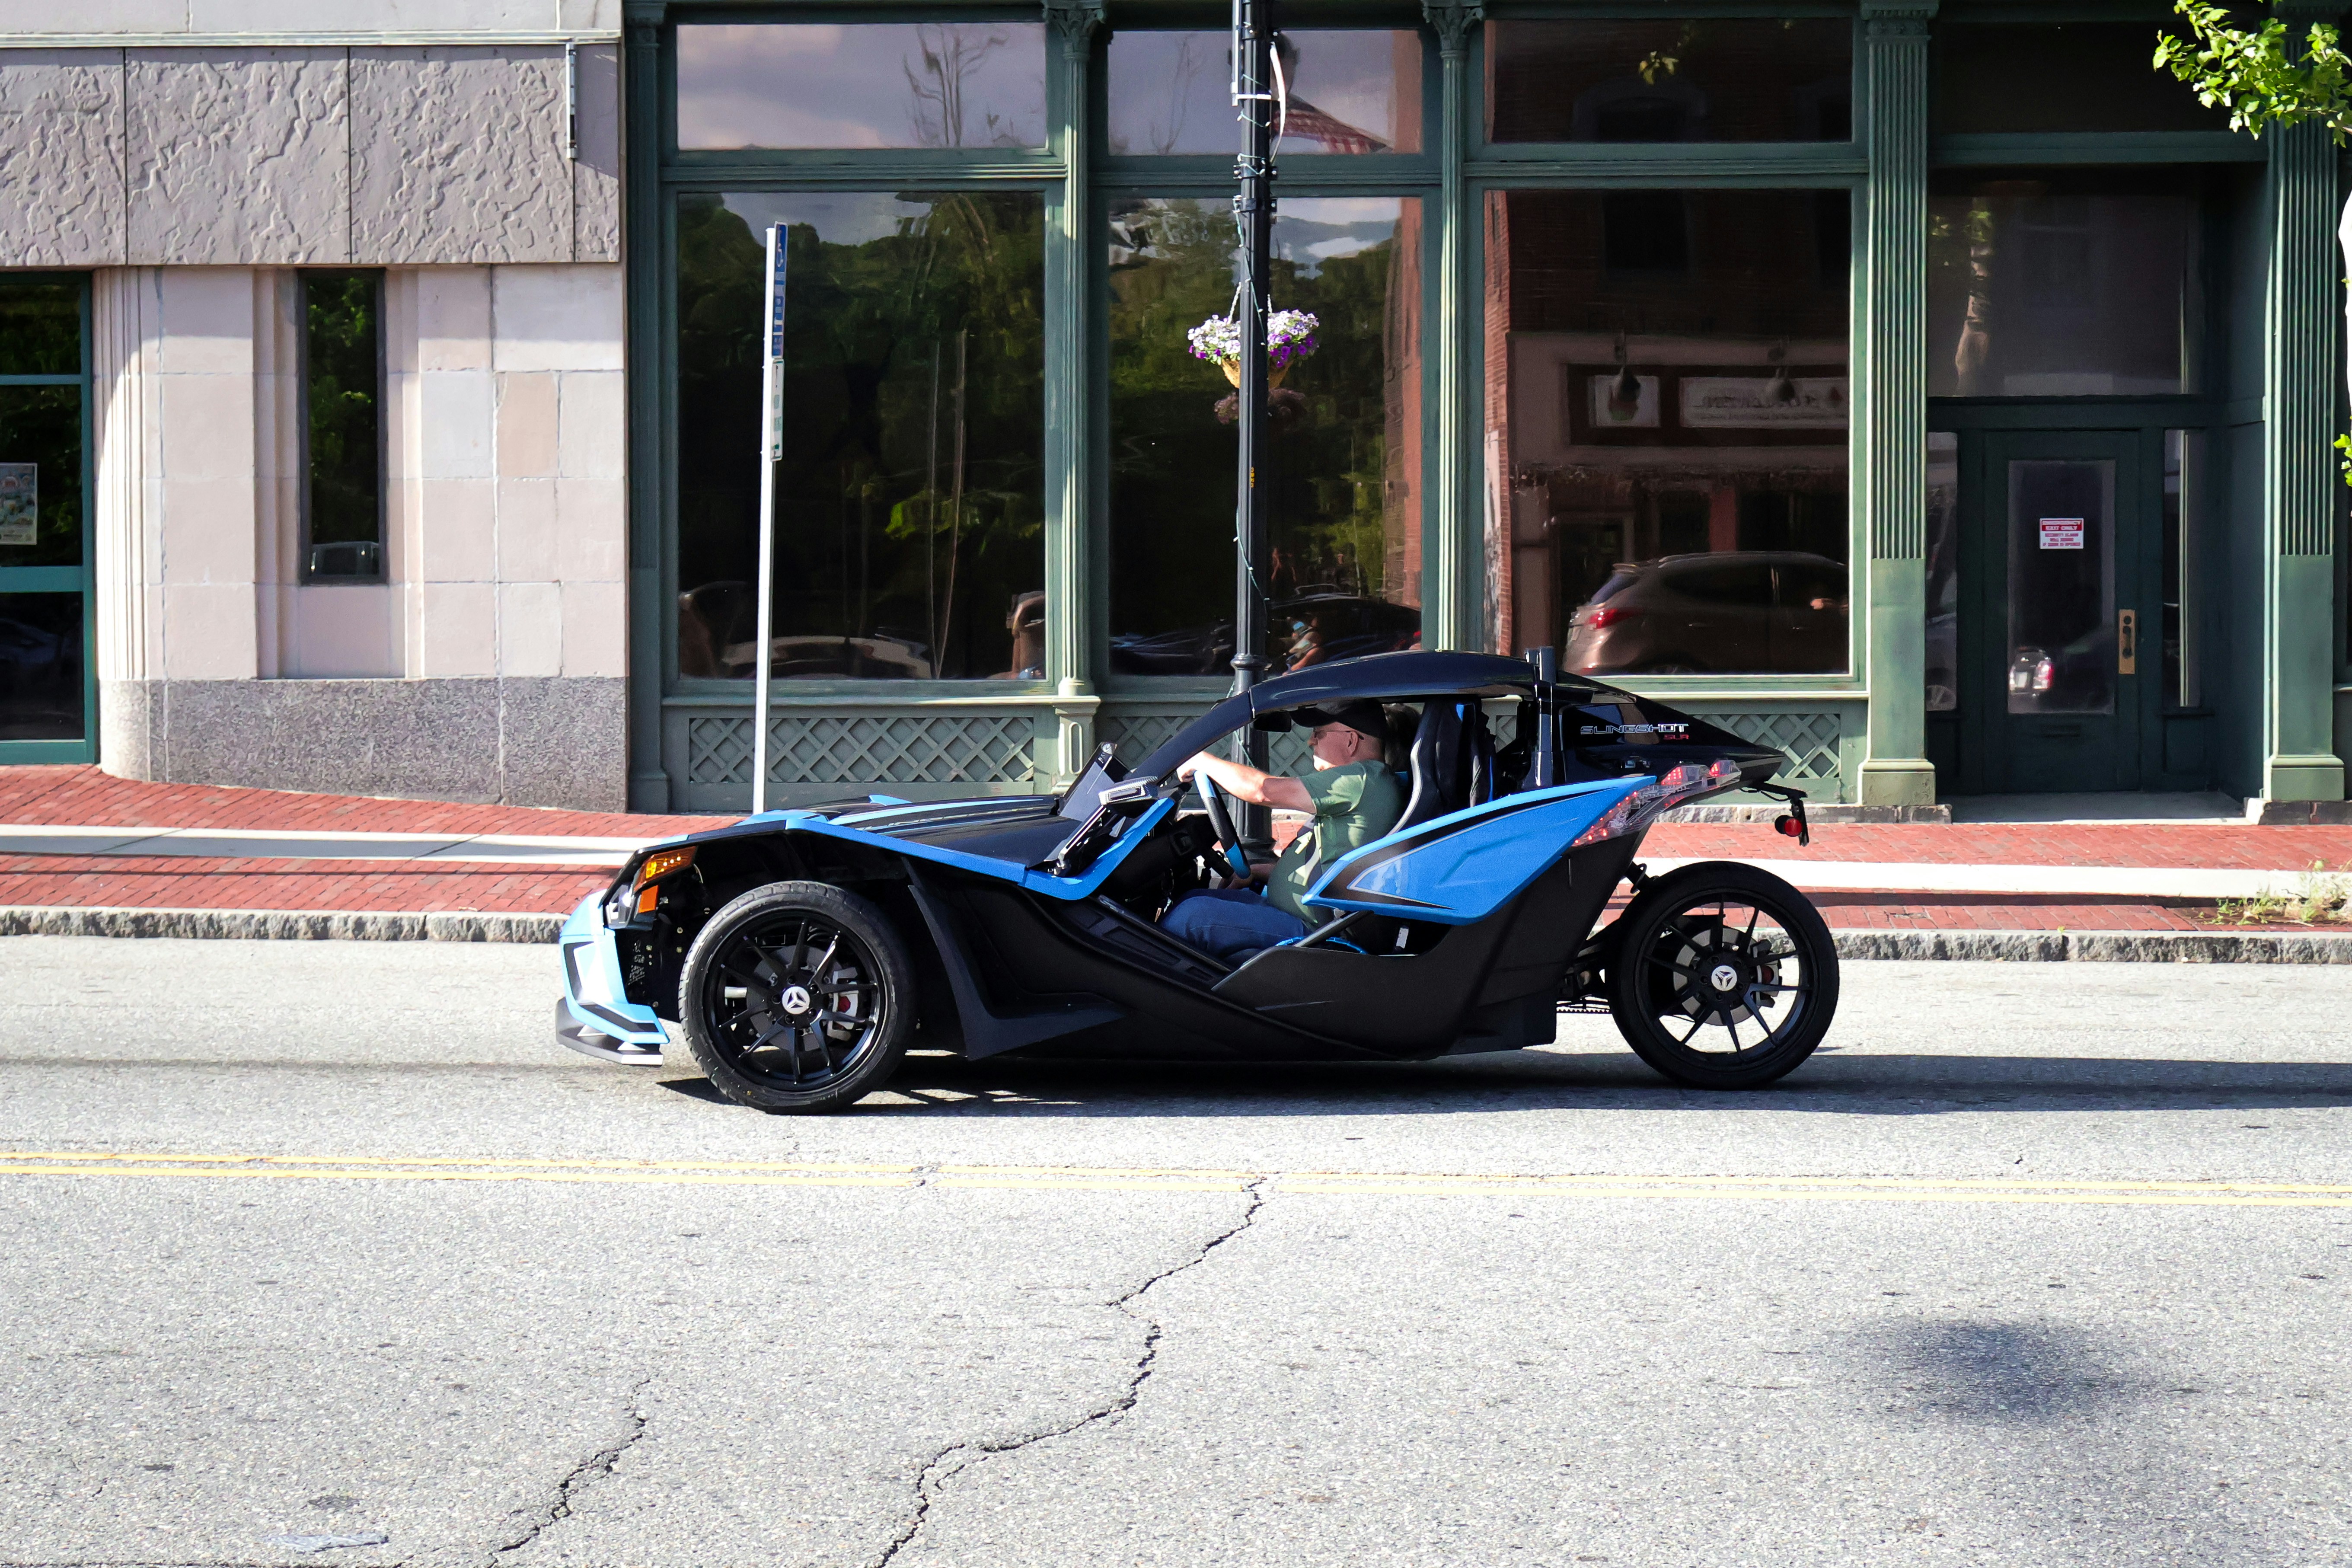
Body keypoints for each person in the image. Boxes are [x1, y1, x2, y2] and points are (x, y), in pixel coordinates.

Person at [1163, 699, 1405, 962]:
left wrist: (1201, 760)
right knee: (1191, 898)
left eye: (1319, 733)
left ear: (1351, 741)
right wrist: (1261, 871)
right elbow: (1321, 862)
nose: (1311, 742)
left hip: (1316, 932)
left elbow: (1262, 790)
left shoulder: (1362, 778)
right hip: (1294, 916)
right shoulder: (1367, 783)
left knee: (1191, 918)